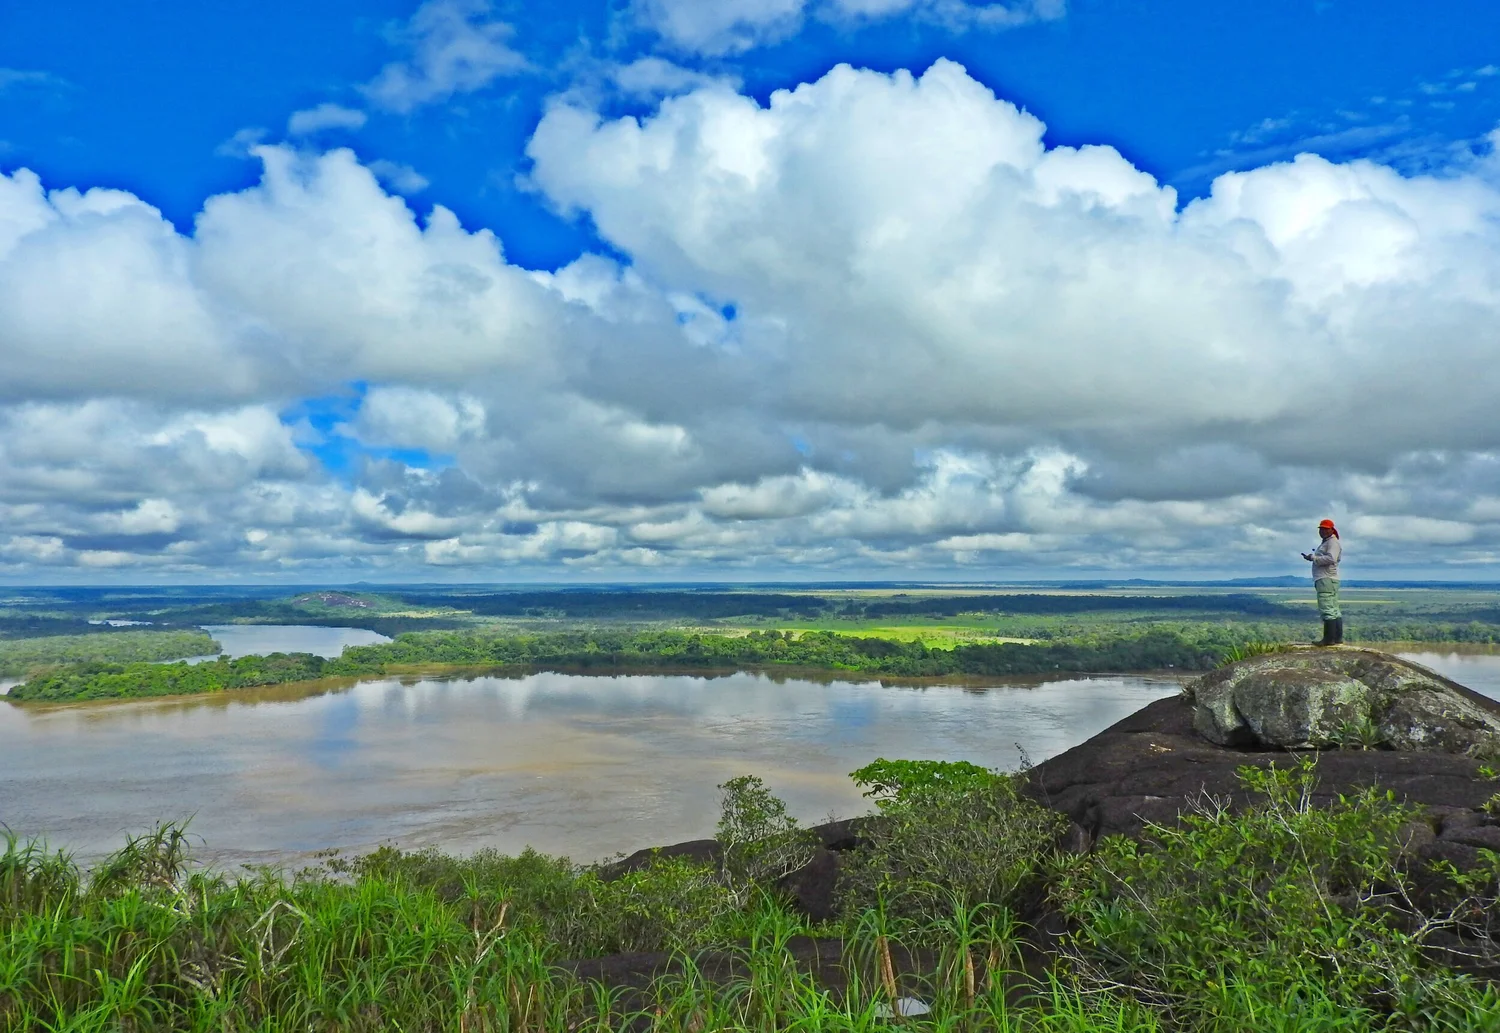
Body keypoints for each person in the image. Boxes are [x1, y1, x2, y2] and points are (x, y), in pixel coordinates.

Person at [1301, 519, 1342, 645]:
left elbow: (1331, 558)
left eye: (1325, 529)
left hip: (1326, 579)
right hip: (1328, 579)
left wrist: (1314, 558)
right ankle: (1336, 638)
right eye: (1321, 529)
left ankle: (1329, 639)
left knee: (1327, 608)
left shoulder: (1332, 543)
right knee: (1333, 608)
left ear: (1332, 529)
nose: (1323, 531)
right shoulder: (1328, 542)